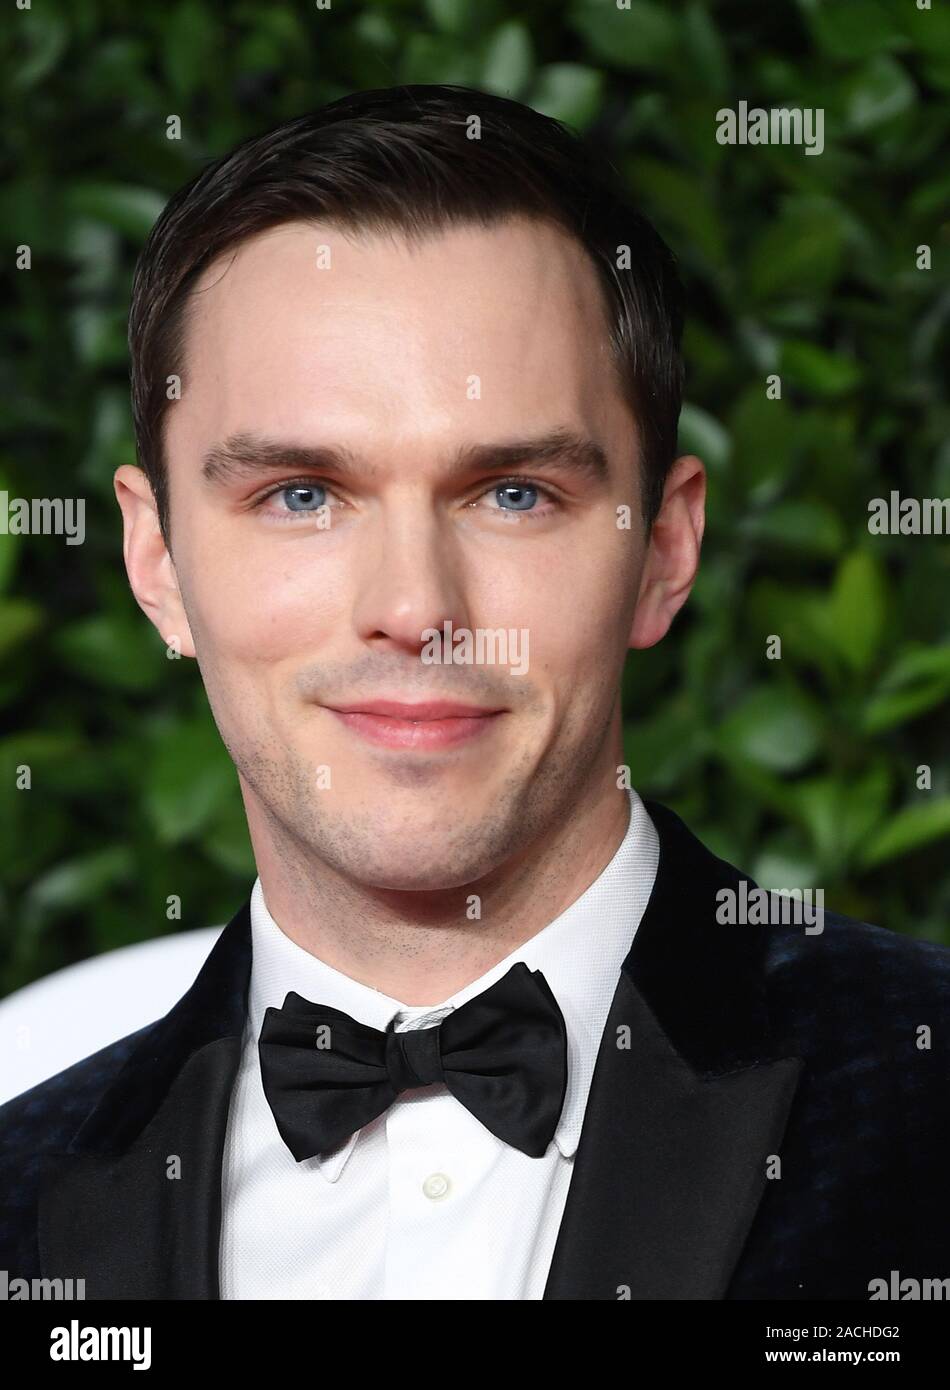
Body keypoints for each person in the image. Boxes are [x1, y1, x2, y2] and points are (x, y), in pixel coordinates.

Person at [2, 84, 948, 1302]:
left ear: (662, 549)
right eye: (300, 493)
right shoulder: (23, 1204)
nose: (413, 603)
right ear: (157, 563)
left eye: (511, 493)